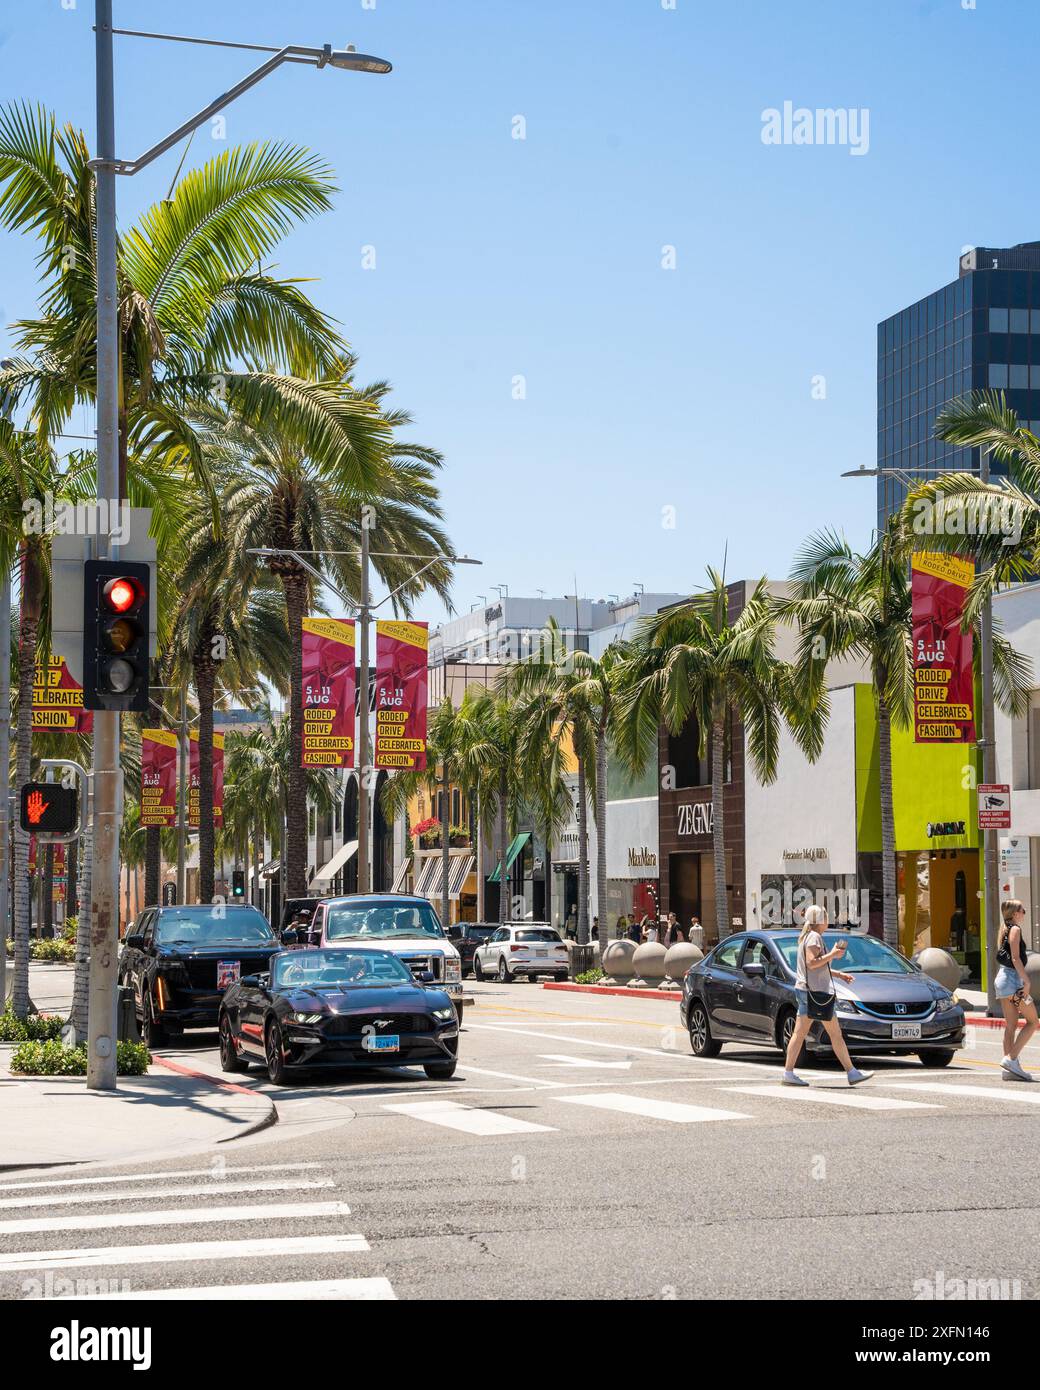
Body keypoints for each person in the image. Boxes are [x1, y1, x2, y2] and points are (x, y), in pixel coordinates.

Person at [783, 904, 872, 1087]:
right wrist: (832, 954)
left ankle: (789, 1073)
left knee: (801, 1034)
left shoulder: (808, 936)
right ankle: (851, 1072)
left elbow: (818, 966)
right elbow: (812, 963)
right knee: (832, 1034)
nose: (827, 919)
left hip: (808, 991)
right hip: (815, 993)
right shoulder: (814, 937)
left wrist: (839, 974)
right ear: (819, 920)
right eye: (825, 916)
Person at [995, 898, 1037, 1081]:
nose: (1024, 912)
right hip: (1013, 982)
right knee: (1033, 1021)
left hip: (1003, 980)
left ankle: (1009, 1069)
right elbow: (1015, 958)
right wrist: (1026, 981)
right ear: (1014, 913)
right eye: (1022, 909)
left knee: (1011, 1026)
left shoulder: (1004, 928)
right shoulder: (1015, 929)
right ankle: (1011, 1059)